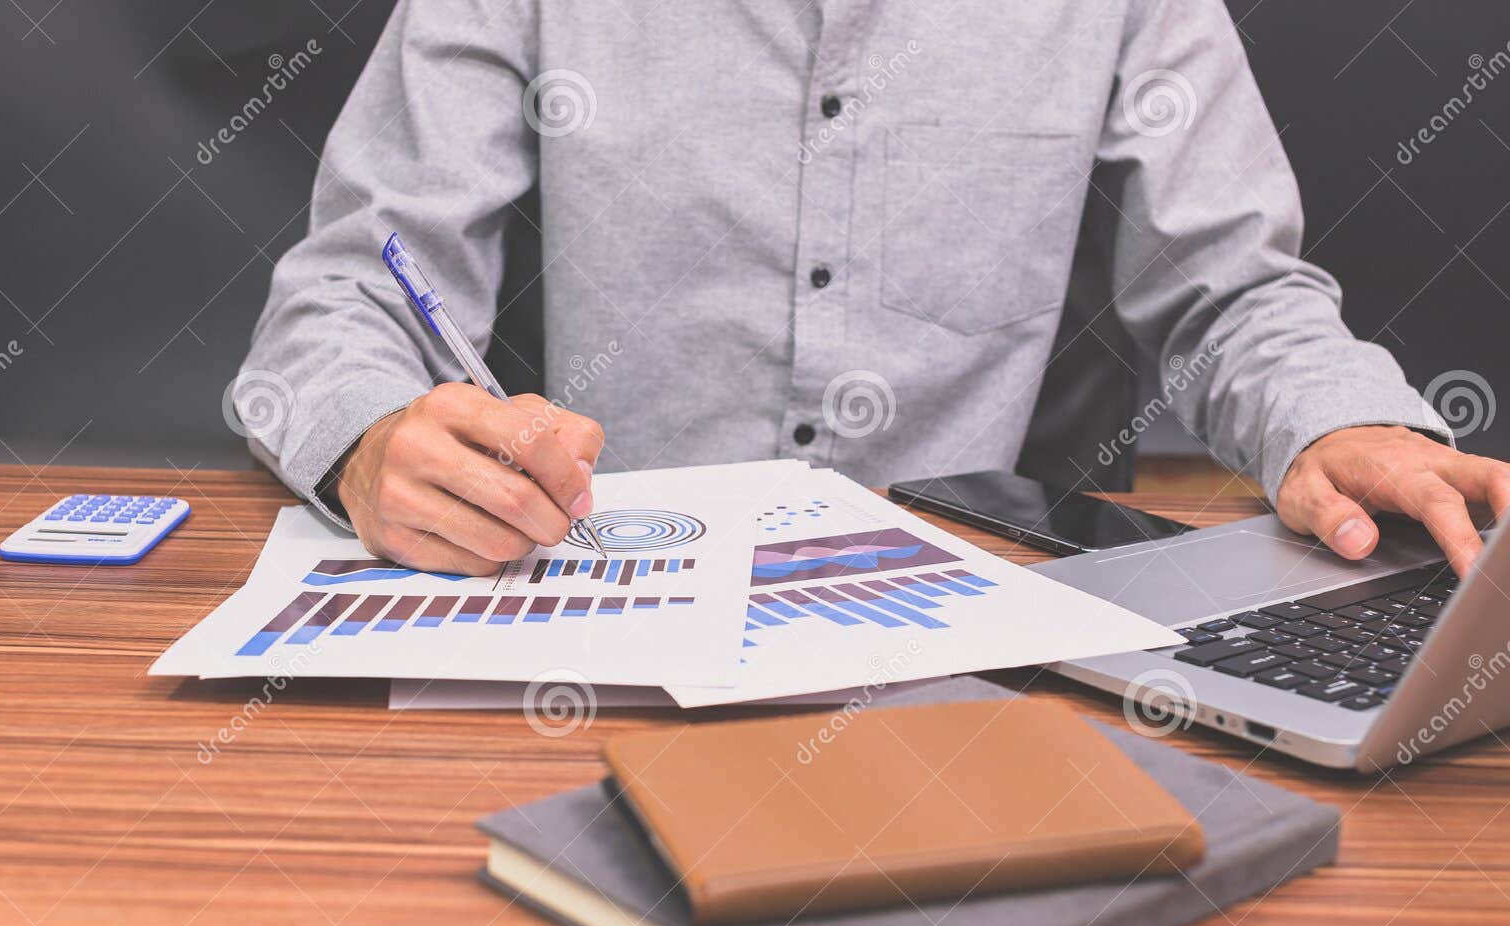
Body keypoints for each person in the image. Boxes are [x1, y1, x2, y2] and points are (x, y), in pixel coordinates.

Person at [239, 0, 1508, 578]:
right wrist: (366, 442)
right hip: (586, 606)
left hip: (966, 634)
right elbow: (354, 287)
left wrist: (1341, 421)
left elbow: (1231, 292)